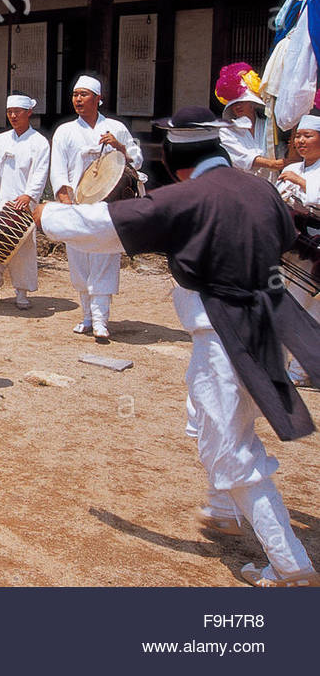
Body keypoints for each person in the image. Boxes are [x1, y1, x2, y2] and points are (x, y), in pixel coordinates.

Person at [35, 106, 320, 587]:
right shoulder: (261, 189)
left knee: (232, 444)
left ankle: (290, 566)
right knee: (207, 414)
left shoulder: (187, 198)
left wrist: (49, 215)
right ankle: (224, 508)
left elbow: (107, 225)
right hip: (269, 324)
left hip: (224, 333)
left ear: (176, 159)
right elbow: (292, 237)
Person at [48, 74, 143, 341]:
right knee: (79, 260)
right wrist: (64, 196)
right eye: (75, 94)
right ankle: (86, 316)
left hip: (107, 205)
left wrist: (120, 146)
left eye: (84, 94)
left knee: (104, 259)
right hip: (76, 202)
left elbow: (137, 160)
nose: (78, 99)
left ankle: (101, 320)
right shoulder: (65, 131)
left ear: (99, 98)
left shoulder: (115, 127)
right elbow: (58, 168)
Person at [0, 94, 50, 309]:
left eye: (18, 111)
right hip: (0, 202)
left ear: (29, 113)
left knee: (23, 249)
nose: (13, 116)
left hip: (23, 205)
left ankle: (22, 292)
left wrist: (29, 195)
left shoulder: (39, 143)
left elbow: (40, 173)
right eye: (10, 112)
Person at [274, 113, 320, 387]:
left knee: (306, 307)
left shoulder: (301, 173)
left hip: (314, 249)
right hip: (292, 246)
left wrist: (301, 183)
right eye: (298, 136)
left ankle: (302, 369)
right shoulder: (297, 168)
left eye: (309, 136)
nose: (301, 141)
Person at [216, 63, 285, 181]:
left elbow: (279, 149)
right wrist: (272, 164)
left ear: (252, 104)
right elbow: (240, 157)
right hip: (241, 182)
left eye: (242, 102)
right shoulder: (226, 130)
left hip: (270, 182)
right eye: (234, 104)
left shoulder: (267, 126)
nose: (238, 106)